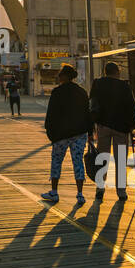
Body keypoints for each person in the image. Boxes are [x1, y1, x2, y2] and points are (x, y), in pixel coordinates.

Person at [41, 65, 93, 205]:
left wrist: (50, 133)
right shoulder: (82, 92)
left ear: (64, 76)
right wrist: (90, 132)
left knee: (56, 162)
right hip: (79, 133)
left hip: (60, 135)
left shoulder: (57, 92)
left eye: (60, 74)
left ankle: (54, 192)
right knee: (78, 163)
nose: (58, 77)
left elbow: (51, 114)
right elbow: (88, 114)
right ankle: (80, 194)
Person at [88, 62, 135, 202]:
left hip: (103, 126)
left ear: (105, 72)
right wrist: (133, 126)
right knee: (121, 160)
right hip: (121, 128)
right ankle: (121, 191)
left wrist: (91, 125)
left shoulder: (97, 84)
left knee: (102, 158)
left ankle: (100, 188)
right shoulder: (124, 86)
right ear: (117, 72)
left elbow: (92, 104)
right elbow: (131, 106)